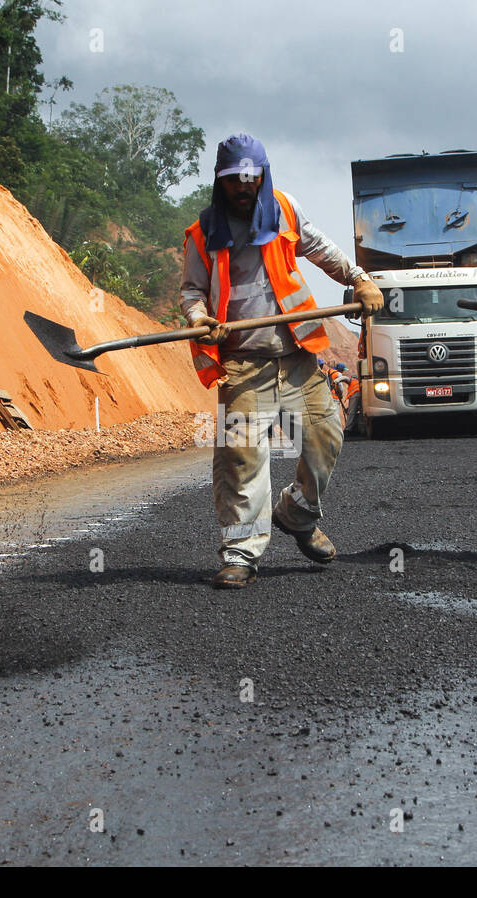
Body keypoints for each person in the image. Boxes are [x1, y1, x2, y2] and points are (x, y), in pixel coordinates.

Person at [181, 133, 384, 588]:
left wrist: (359, 280)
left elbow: (323, 250)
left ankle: (297, 515)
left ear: (263, 176)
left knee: (324, 437)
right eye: (234, 179)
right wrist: (200, 316)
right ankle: (240, 553)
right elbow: (192, 290)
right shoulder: (202, 233)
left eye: (251, 178)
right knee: (242, 458)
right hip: (243, 365)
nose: (243, 187)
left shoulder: (285, 209)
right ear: (220, 181)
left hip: (297, 359)